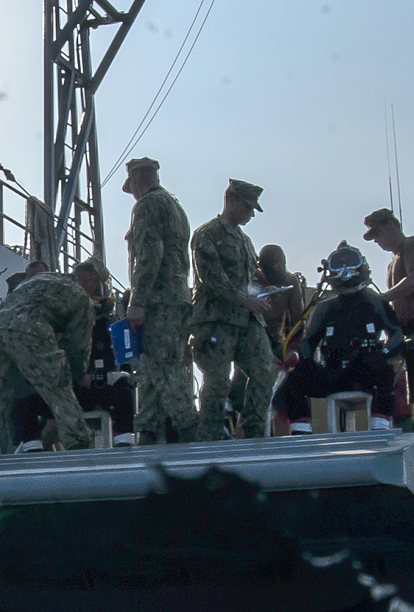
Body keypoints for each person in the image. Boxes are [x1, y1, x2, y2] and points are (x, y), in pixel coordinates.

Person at [270, 241, 404, 430]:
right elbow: (309, 342)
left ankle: (379, 425)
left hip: (367, 372)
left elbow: (396, 334)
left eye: (350, 264)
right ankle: (302, 431)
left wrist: (384, 353)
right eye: (338, 265)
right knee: (295, 380)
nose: (344, 272)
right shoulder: (325, 308)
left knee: (385, 371)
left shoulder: (376, 302)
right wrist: (306, 361)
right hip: (334, 373)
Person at [189, 178, 275, 442]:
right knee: (217, 381)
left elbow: (246, 279)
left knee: (265, 369)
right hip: (216, 320)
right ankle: (210, 438)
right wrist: (245, 299)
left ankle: (253, 430)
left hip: (247, 321)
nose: (250, 214)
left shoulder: (245, 240)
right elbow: (211, 278)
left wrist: (260, 294)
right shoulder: (207, 234)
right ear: (232, 201)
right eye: (248, 207)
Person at [0, 259, 105, 450]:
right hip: (29, 327)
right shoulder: (80, 296)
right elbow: (79, 344)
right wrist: (76, 372)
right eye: (99, 285)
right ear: (92, 278)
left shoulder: (47, 279)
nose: (97, 291)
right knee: (58, 385)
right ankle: (79, 443)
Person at [120, 157, 195, 445]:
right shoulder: (174, 206)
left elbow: (150, 253)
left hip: (158, 301)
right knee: (152, 370)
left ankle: (193, 436)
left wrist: (137, 300)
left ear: (139, 180)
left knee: (166, 368)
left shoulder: (148, 205)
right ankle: (148, 435)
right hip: (176, 298)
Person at [364, 207, 414, 410]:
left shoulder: (413, 245)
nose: (376, 240)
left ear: (391, 225)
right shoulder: (393, 262)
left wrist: (381, 298)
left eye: (378, 233)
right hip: (411, 331)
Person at [255, 243, 310, 358]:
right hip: (251, 339)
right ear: (260, 267)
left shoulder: (290, 282)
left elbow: (297, 320)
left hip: (277, 341)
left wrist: (293, 348)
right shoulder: (251, 281)